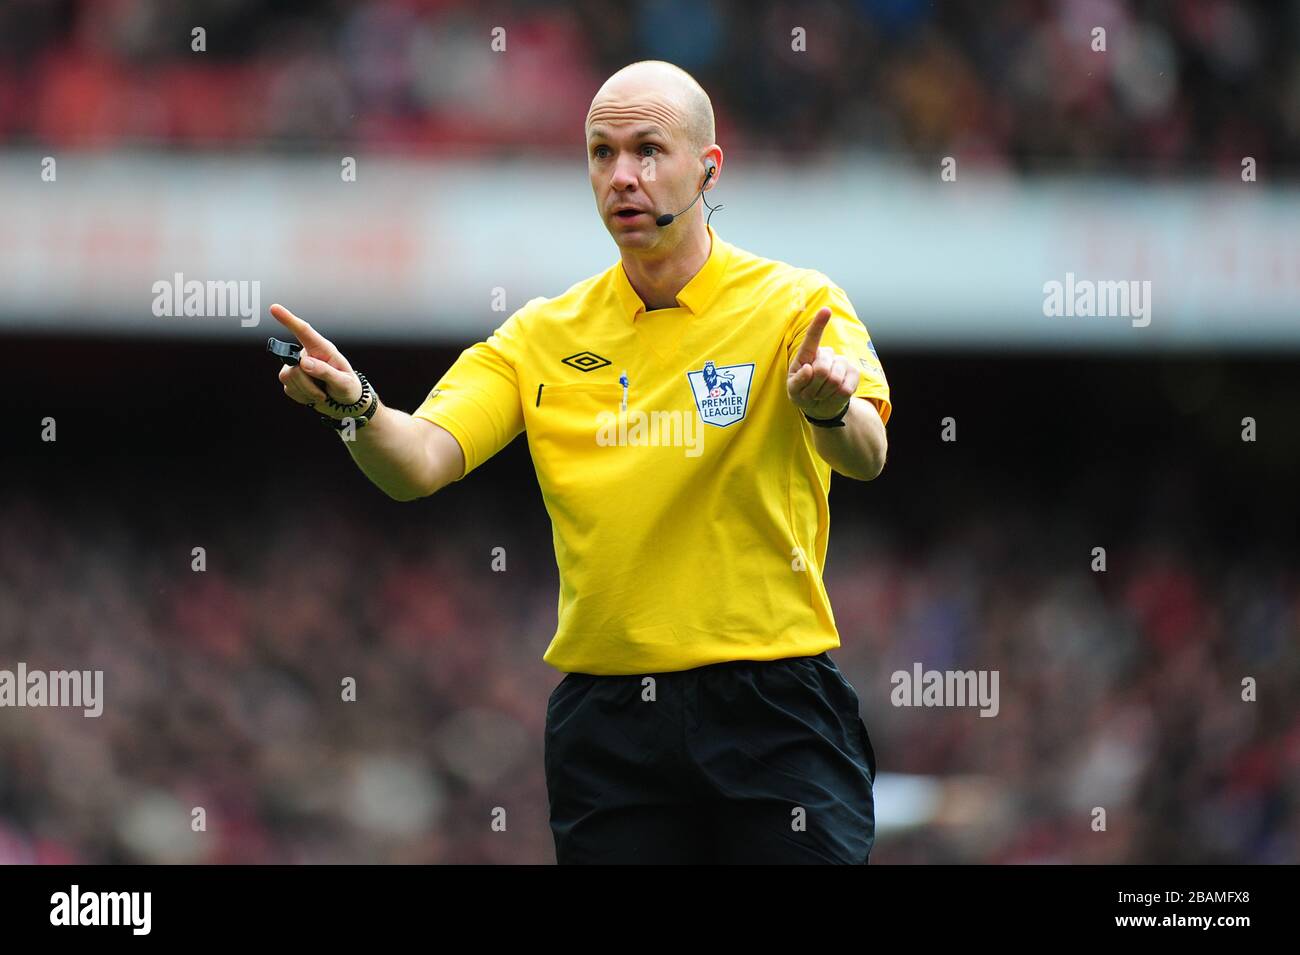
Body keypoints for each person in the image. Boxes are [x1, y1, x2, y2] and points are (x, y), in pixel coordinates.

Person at [270, 60, 892, 864]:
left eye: (647, 150)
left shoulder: (796, 305)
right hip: (610, 725)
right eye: (602, 153)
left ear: (708, 168)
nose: (622, 176)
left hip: (772, 706)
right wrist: (354, 406)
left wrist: (828, 408)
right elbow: (418, 459)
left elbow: (867, 454)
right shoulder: (543, 334)